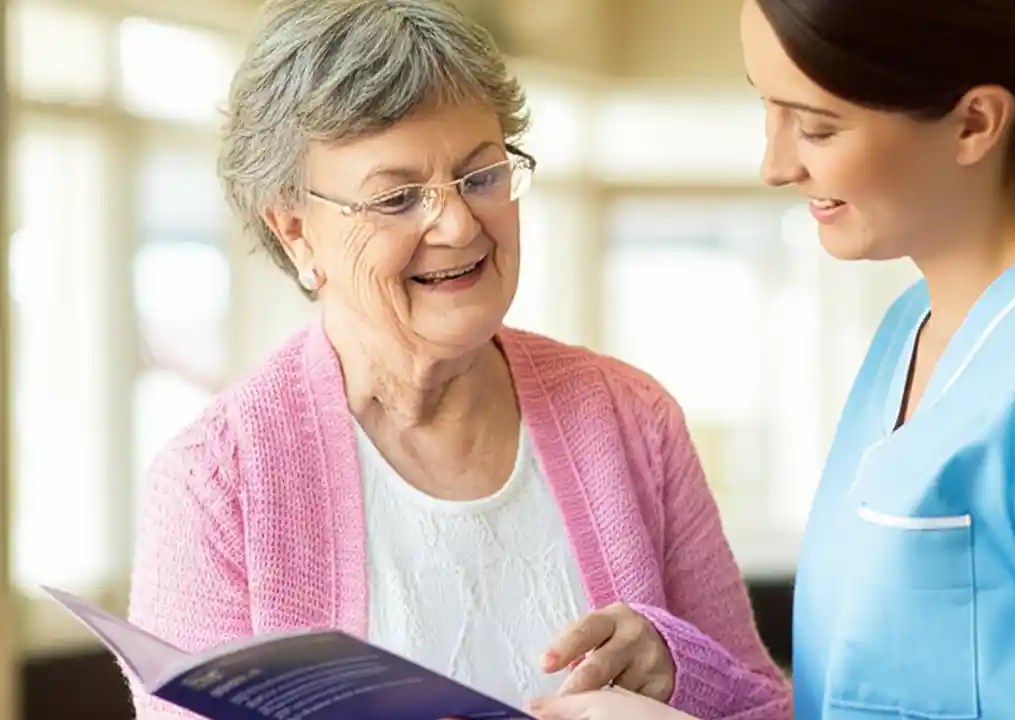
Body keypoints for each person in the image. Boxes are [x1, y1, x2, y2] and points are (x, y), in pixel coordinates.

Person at [531, 0, 1015, 719]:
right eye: (769, 110)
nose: (775, 165)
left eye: (816, 126)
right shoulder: (909, 327)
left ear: (974, 122)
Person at [125, 1, 791, 718]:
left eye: (481, 177)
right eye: (399, 197)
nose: (457, 223)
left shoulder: (632, 419)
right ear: (295, 232)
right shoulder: (217, 483)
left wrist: (674, 672)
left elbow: (763, 707)